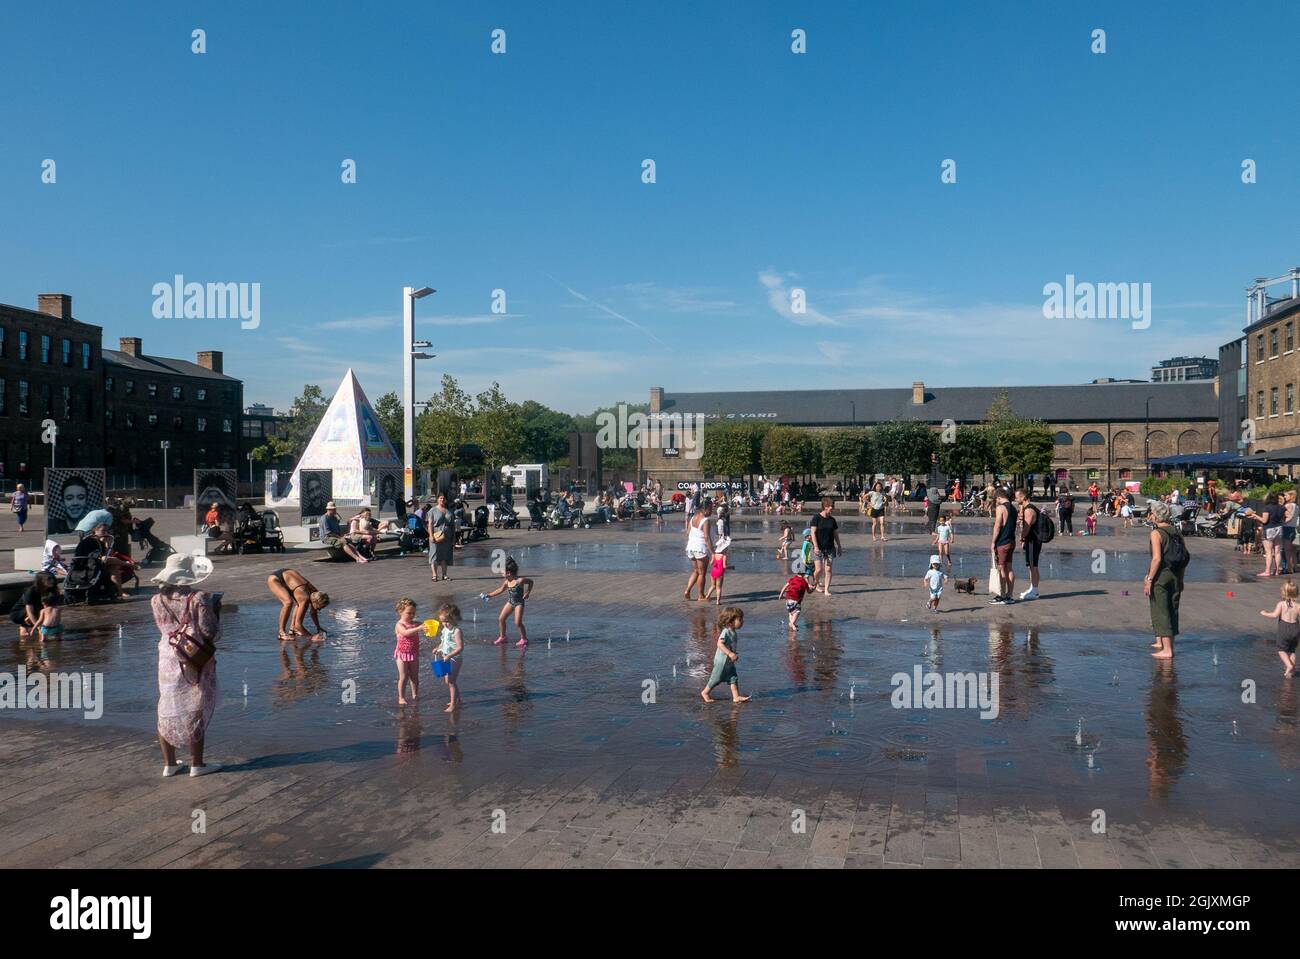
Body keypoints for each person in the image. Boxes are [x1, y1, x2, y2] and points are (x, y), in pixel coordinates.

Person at [151, 553, 221, 777]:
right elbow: (210, 632)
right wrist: (215, 609)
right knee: (194, 707)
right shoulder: (198, 597)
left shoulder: (156, 599)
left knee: (167, 706)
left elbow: (164, 628)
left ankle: (169, 764)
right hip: (192, 656)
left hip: (167, 655)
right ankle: (197, 765)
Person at [1144, 501, 1187, 661]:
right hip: (1176, 574)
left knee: (1160, 609)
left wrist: (1149, 579)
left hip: (1161, 576)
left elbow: (1156, 559)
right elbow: (1182, 557)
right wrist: (1181, 579)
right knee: (1172, 608)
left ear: (1155, 516)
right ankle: (1166, 644)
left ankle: (1167, 650)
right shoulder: (1176, 532)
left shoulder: (1156, 533)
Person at [700, 607, 750, 704]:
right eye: (740, 619)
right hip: (721, 661)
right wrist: (730, 653)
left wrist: (733, 654)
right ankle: (705, 692)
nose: (742, 621)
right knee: (716, 679)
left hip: (729, 661)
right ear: (730, 622)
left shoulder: (733, 632)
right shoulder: (726, 632)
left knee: (733, 678)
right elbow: (720, 644)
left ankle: (736, 697)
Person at [483, 557, 532, 648]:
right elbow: (500, 590)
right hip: (510, 602)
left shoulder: (520, 581)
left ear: (508, 573)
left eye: (502, 572)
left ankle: (524, 639)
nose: (501, 574)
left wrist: (527, 592)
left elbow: (531, 582)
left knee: (517, 622)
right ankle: (503, 637)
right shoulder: (507, 582)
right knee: (501, 619)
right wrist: (489, 595)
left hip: (519, 604)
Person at [266, 568, 329, 639]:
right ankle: (281, 633)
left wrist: (318, 628)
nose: (320, 609)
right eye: (320, 607)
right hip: (275, 579)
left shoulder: (316, 593)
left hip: (288, 574)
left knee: (299, 603)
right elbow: (298, 625)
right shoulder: (304, 598)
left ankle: (292, 629)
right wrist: (311, 637)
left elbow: (313, 612)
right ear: (315, 602)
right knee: (288, 602)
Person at [1260, 580, 1300, 678]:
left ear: (1284, 593)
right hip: (1295, 629)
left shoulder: (1281, 604)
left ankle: (1289, 665)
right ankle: (1291, 672)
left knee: (1281, 650)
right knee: (1292, 650)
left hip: (1284, 629)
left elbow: (1275, 615)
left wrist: (1265, 613)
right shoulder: (1298, 606)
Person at [9, 571, 59, 638]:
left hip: (37, 610)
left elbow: (53, 609)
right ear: (40, 581)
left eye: (53, 579)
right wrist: (39, 628)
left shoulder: (53, 590)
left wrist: (54, 625)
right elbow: (30, 611)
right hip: (18, 614)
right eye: (49, 579)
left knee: (46, 610)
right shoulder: (31, 591)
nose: (52, 581)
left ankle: (28, 623)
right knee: (37, 610)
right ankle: (24, 625)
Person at [433, 603, 464, 712]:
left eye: (447, 621)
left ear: (454, 619)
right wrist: (438, 648)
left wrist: (450, 655)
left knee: (451, 681)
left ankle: (453, 705)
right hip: (445, 657)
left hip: (455, 658)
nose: (444, 624)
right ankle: (458, 699)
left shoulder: (456, 631)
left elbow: (460, 647)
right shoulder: (445, 630)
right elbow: (443, 642)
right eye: (442, 621)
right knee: (448, 681)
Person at [393, 597, 423, 705]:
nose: (411, 615)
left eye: (413, 613)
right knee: (404, 676)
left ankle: (415, 694)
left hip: (413, 653)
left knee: (414, 676)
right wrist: (419, 628)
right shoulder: (399, 625)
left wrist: (429, 626)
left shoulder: (415, 623)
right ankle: (401, 697)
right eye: (409, 613)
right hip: (401, 654)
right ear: (400, 611)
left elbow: (426, 625)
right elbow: (406, 633)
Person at [989, 488, 1016, 605]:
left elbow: (997, 526)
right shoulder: (1014, 508)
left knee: (1001, 568)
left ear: (999, 498)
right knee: (1009, 568)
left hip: (1002, 542)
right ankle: (1009, 595)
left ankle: (1002, 595)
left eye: (996, 500)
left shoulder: (1001, 508)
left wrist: (993, 542)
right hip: (1011, 541)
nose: (996, 502)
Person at [683, 499, 714, 601]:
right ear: (705, 509)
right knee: (702, 573)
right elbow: (706, 537)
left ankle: (687, 590)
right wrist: (713, 553)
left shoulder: (692, 518)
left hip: (690, 547)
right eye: (710, 509)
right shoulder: (705, 520)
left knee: (695, 571)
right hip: (699, 548)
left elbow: (687, 532)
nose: (711, 511)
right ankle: (701, 595)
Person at [810, 497, 841, 595]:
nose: (832, 508)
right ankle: (816, 583)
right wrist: (815, 546)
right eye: (831, 506)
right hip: (818, 547)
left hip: (829, 548)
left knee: (828, 569)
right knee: (818, 569)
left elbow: (835, 534)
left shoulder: (832, 520)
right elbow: (813, 533)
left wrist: (839, 546)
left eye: (832, 506)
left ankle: (827, 589)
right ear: (825, 506)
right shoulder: (816, 518)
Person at [1015, 488, 1041, 601]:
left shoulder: (1029, 510)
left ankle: (1035, 591)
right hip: (1031, 540)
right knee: (1031, 566)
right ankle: (1032, 588)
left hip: (1033, 540)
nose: (1015, 499)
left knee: (1033, 566)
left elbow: (1027, 527)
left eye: (1017, 497)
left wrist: (1022, 538)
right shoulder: (1027, 508)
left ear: (1022, 497)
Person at [427, 493, 454, 581]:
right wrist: (430, 535)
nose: (442, 500)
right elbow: (430, 524)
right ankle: (434, 575)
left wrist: (454, 538)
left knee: (445, 555)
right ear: (437, 499)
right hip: (436, 535)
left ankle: (444, 575)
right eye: (440, 498)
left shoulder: (448, 511)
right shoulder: (433, 510)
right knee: (434, 555)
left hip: (447, 536)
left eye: (443, 498)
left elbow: (453, 525)